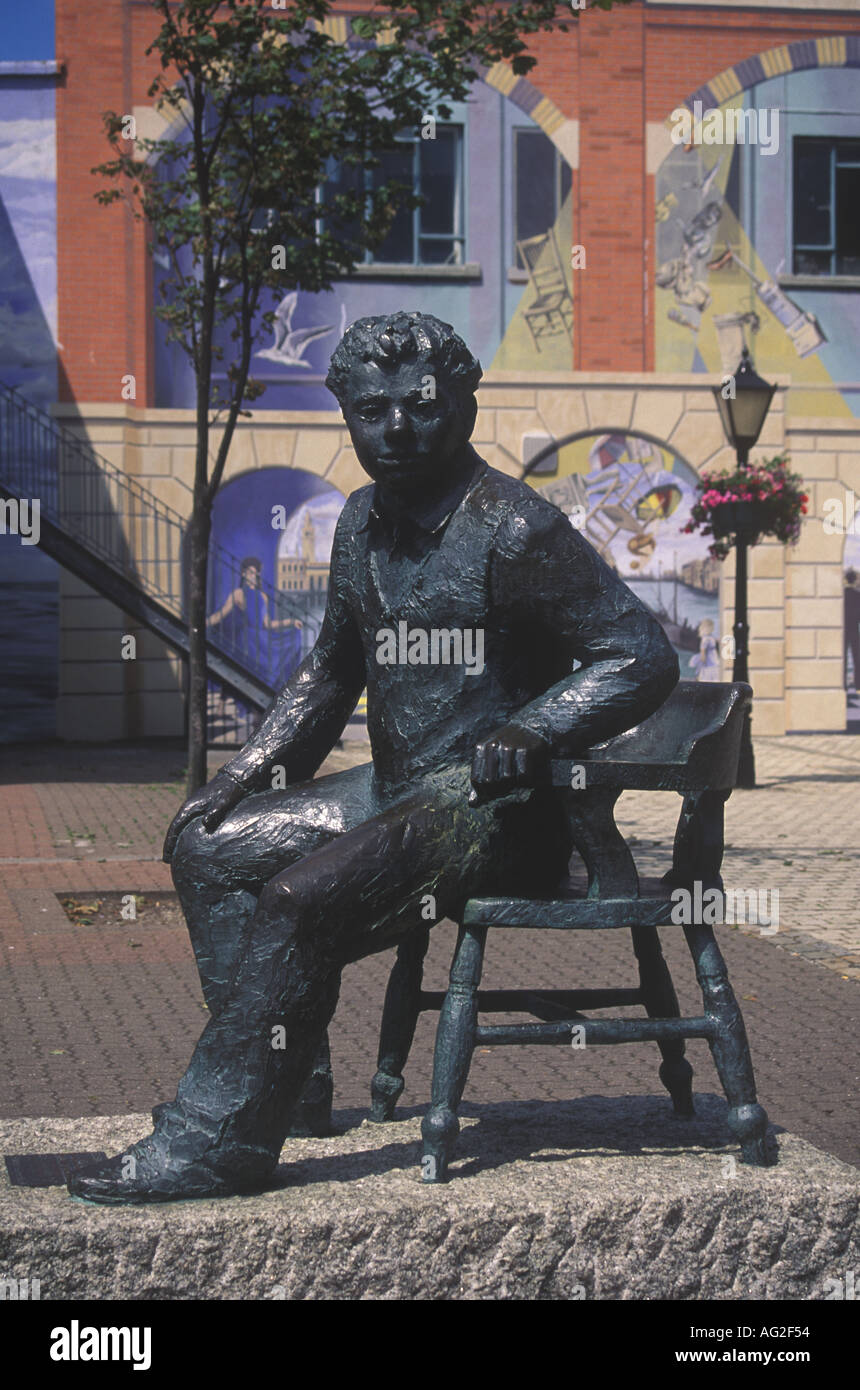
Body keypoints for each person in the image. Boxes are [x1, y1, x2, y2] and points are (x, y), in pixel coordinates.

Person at [68, 311, 679, 1205]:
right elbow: (330, 672)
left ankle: (216, 1140)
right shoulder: (358, 522)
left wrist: (534, 730)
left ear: (464, 406)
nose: (396, 429)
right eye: (371, 410)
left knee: (297, 900)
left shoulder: (515, 529)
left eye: (421, 407)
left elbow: (641, 655)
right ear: (348, 415)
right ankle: (292, 1083)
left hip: (498, 814)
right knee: (208, 848)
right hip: (393, 794)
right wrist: (242, 777)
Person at [844, 569, 860, 699]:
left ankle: (843, 684)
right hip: (855, 630)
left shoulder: (842, 594)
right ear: (855, 579)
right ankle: (858, 684)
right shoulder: (858, 595)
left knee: (843, 658)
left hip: (843, 630)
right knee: (857, 658)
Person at [690, 617, 720, 683]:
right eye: (711, 627)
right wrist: (703, 661)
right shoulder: (705, 639)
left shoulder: (710, 637)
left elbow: (715, 641)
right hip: (709, 659)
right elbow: (703, 651)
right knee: (709, 674)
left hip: (713, 657)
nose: (713, 629)